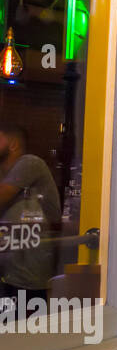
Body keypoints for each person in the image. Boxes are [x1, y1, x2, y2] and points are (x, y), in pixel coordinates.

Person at [0, 123, 61, 301]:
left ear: (13, 144)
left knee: (27, 324)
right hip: (10, 269)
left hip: (30, 272)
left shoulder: (30, 163)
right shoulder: (4, 171)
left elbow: (3, 195)